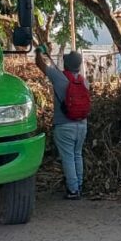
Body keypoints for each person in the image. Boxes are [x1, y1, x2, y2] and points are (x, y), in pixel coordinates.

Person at [36, 47, 90, 200]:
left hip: (64, 125)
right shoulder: (84, 82)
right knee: (77, 155)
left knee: (67, 157)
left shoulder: (58, 76)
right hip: (82, 124)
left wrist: (39, 52)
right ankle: (79, 186)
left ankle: (73, 191)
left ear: (65, 64)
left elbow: (40, 64)